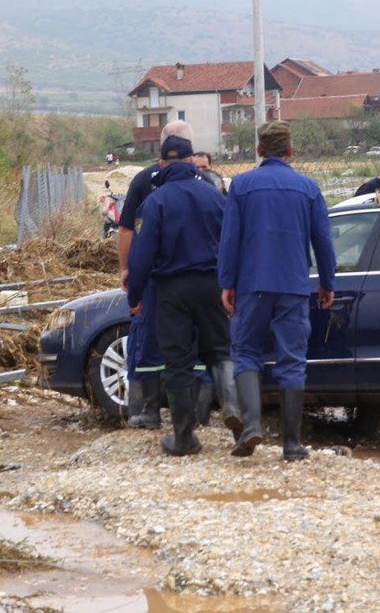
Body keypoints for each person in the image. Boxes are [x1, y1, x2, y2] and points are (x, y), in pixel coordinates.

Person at [218, 120, 337, 461]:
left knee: (245, 353)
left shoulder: (241, 185)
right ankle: (292, 445)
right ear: (290, 150)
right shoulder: (308, 187)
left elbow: (230, 240)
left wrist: (227, 282)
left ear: (259, 151)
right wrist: (328, 282)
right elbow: (324, 242)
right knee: (292, 360)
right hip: (293, 286)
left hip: (251, 284)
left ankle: (253, 424)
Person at [126, 133, 239, 456]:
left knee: (177, 362)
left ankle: (185, 437)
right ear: (192, 161)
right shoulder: (215, 196)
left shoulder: (155, 202)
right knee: (220, 349)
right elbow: (232, 241)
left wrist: (135, 296)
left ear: (162, 164)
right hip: (212, 284)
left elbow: (142, 256)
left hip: (171, 290)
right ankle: (232, 405)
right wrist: (232, 284)